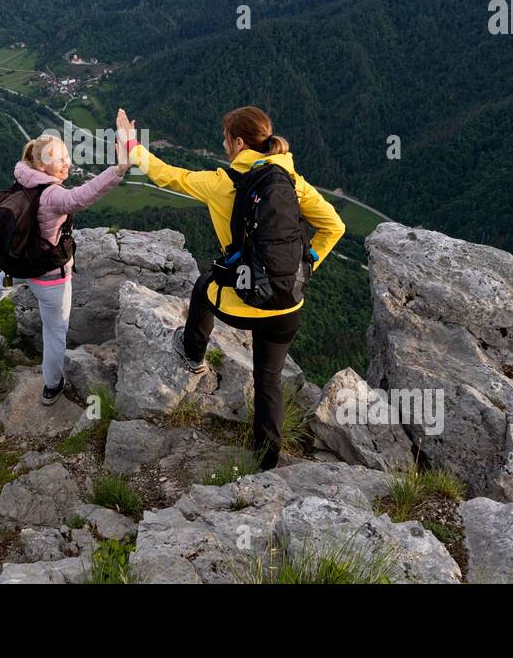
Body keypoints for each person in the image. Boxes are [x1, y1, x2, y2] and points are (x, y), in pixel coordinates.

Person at [115, 105, 345, 469]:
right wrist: (303, 267)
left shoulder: (220, 184)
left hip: (241, 306)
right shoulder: (291, 180)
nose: (224, 146)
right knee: (268, 381)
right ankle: (266, 462)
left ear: (238, 142)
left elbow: (166, 175)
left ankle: (192, 353)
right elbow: (335, 227)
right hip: (286, 307)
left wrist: (131, 146)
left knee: (206, 283)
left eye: (226, 140)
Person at [0, 132, 129, 404]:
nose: (66, 163)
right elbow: (82, 197)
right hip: (49, 277)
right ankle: (52, 385)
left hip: (19, 264)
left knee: (0, 283)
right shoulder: (53, 194)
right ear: (42, 165)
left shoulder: (23, 176)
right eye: (58, 159)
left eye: (67, 156)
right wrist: (118, 170)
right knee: (55, 330)